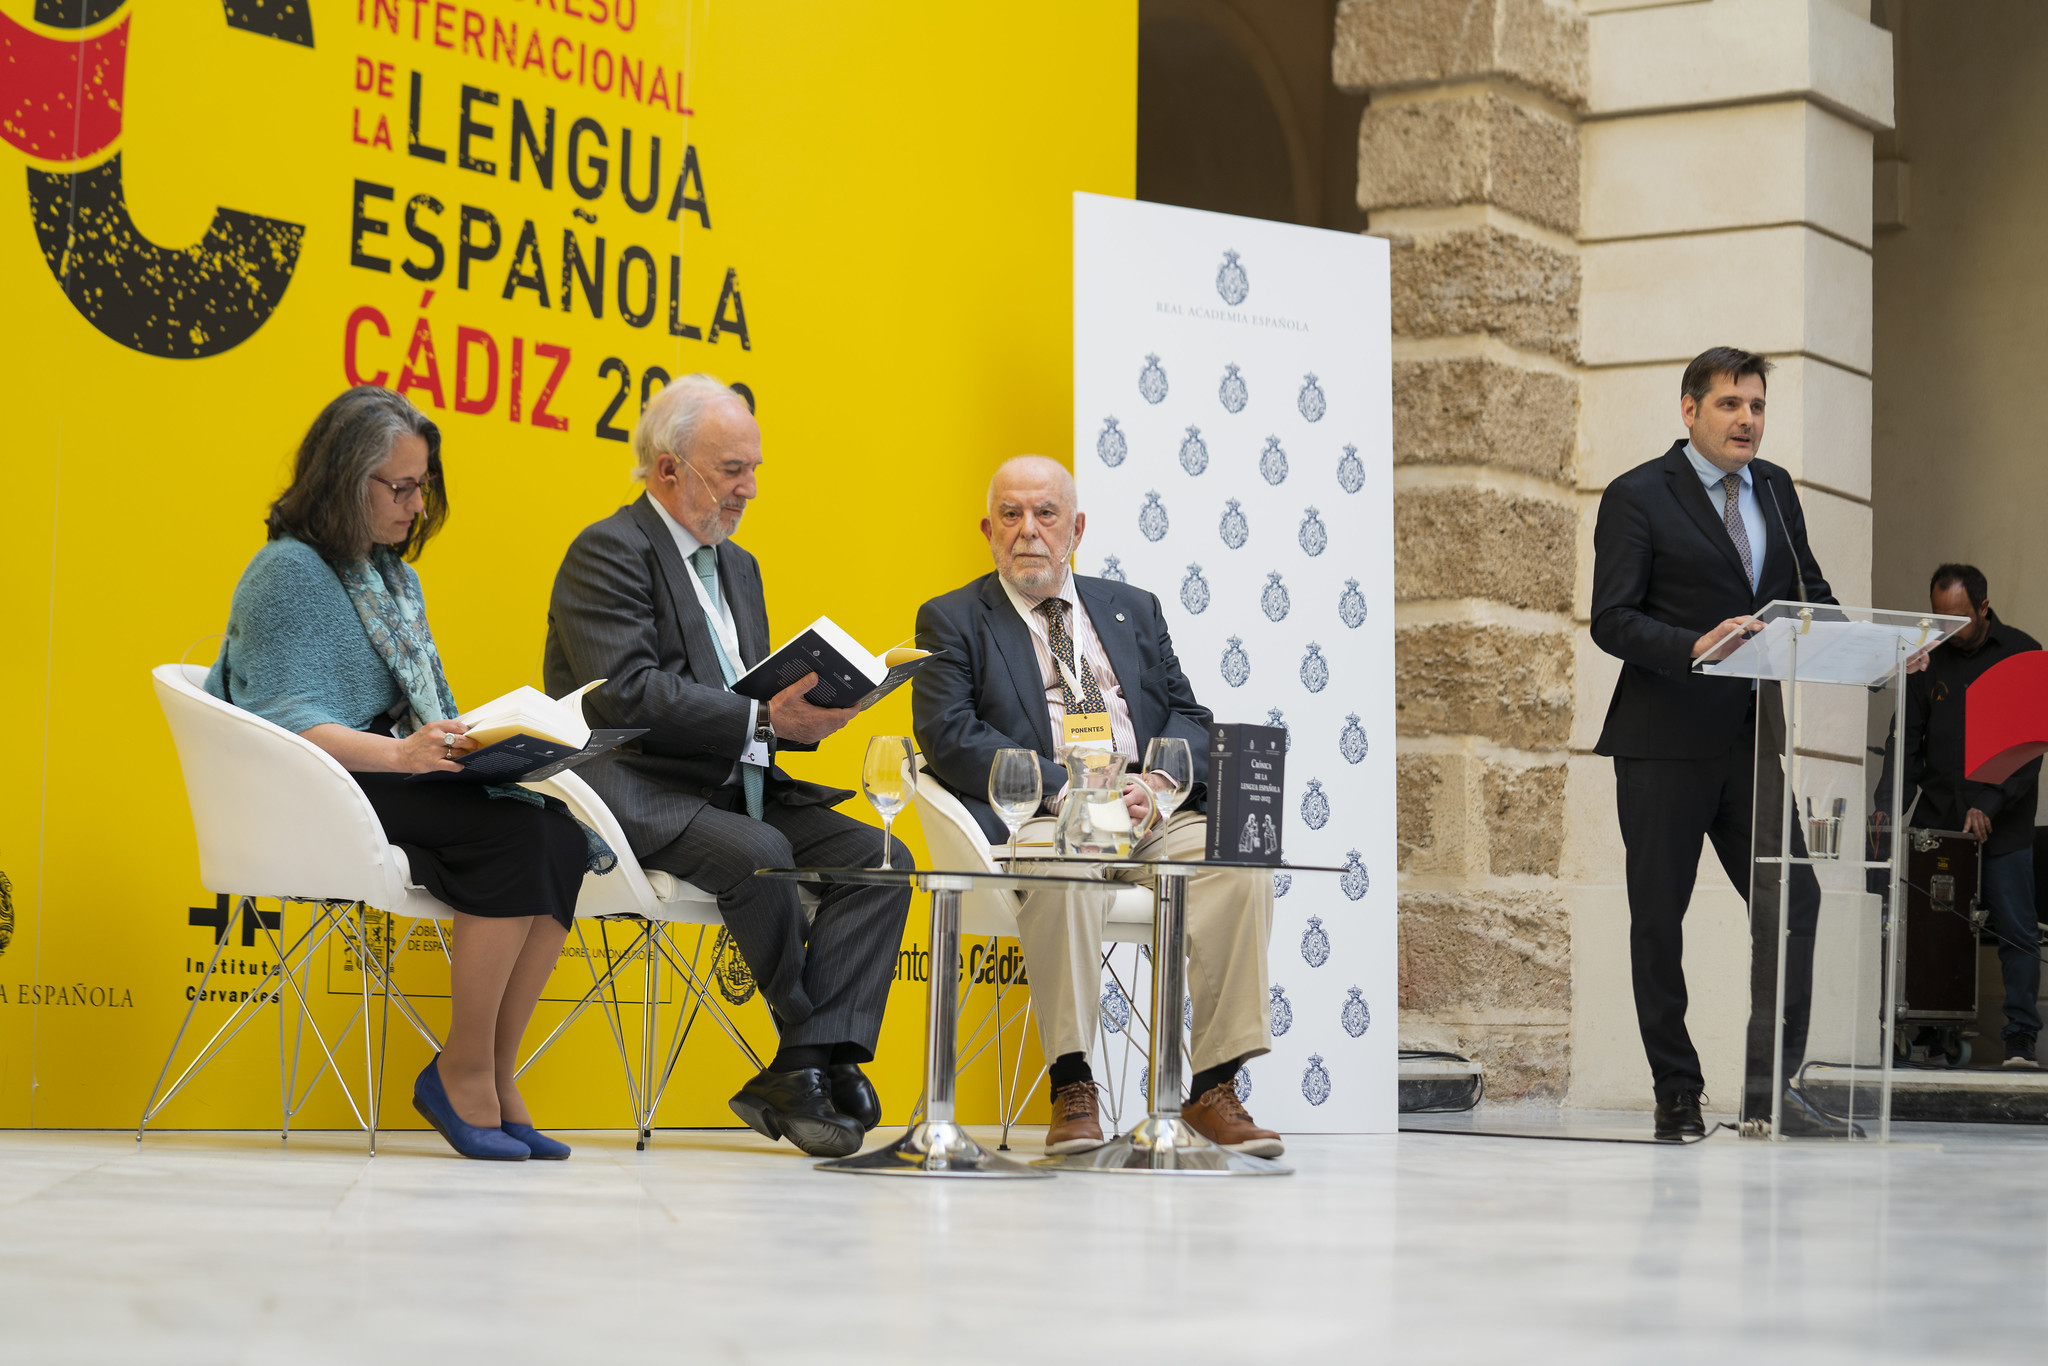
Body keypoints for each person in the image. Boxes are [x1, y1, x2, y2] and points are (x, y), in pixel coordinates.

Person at [207, 385, 603, 1162]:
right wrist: (402, 753)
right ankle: (459, 1069)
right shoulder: (286, 573)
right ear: (343, 481)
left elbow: (415, 705)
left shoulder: (392, 577)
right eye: (402, 486)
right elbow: (290, 722)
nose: (418, 505)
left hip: (383, 775)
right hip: (319, 787)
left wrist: (479, 743)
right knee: (517, 835)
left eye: (424, 486)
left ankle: (491, 1065)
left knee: (558, 834)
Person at [543, 373, 910, 1159]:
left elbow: (754, 702)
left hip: (738, 784)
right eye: (731, 470)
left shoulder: (739, 567)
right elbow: (626, 695)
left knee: (882, 860)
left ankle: (807, 1061)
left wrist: (814, 713)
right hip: (635, 784)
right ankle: (816, 1051)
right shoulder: (607, 550)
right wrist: (763, 718)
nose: (748, 490)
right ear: (668, 469)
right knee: (763, 855)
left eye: (754, 470)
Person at [912, 455, 1280, 1156]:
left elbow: (1187, 716)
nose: (1028, 532)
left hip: (1142, 813)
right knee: (1065, 864)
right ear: (987, 530)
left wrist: (1158, 787)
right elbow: (949, 736)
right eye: (1011, 516)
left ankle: (1211, 1085)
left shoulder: (1131, 608)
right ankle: (1073, 1083)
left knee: (1236, 862)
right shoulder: (954, 619)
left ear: (1075, 528)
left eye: (1045, 515)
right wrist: (1059, 786)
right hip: (1049, 815)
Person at [1590, 346, 1886, 1141]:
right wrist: (1697, 644)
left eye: (1755, 405)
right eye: (1729, 404)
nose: (1746, 420)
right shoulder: (1637, 496)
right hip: (1661, 740)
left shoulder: (1777, 489)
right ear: (1689, 411)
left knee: (1796, 903)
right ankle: (1676, 1093)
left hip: (1752, 741)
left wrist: (1876, 652)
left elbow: (1808, 598)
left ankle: (1771, 1093)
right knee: (1660, 919)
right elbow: (1612, 619)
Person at [1890, 564, 2042, 1067]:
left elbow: (2028, 749)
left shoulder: (2023, 653)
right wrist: (1884, 805)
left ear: (1983, 607)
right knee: (1932, 928)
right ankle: (1933, 1030)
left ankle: (2020, 1037)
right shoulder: (1926, 657)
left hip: (2005, 822)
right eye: (1939, 619)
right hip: (1939, 819)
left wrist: (1989, 803)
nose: (1947, 630)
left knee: (2017, 930)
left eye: (1958, 619)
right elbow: (1907, 737)